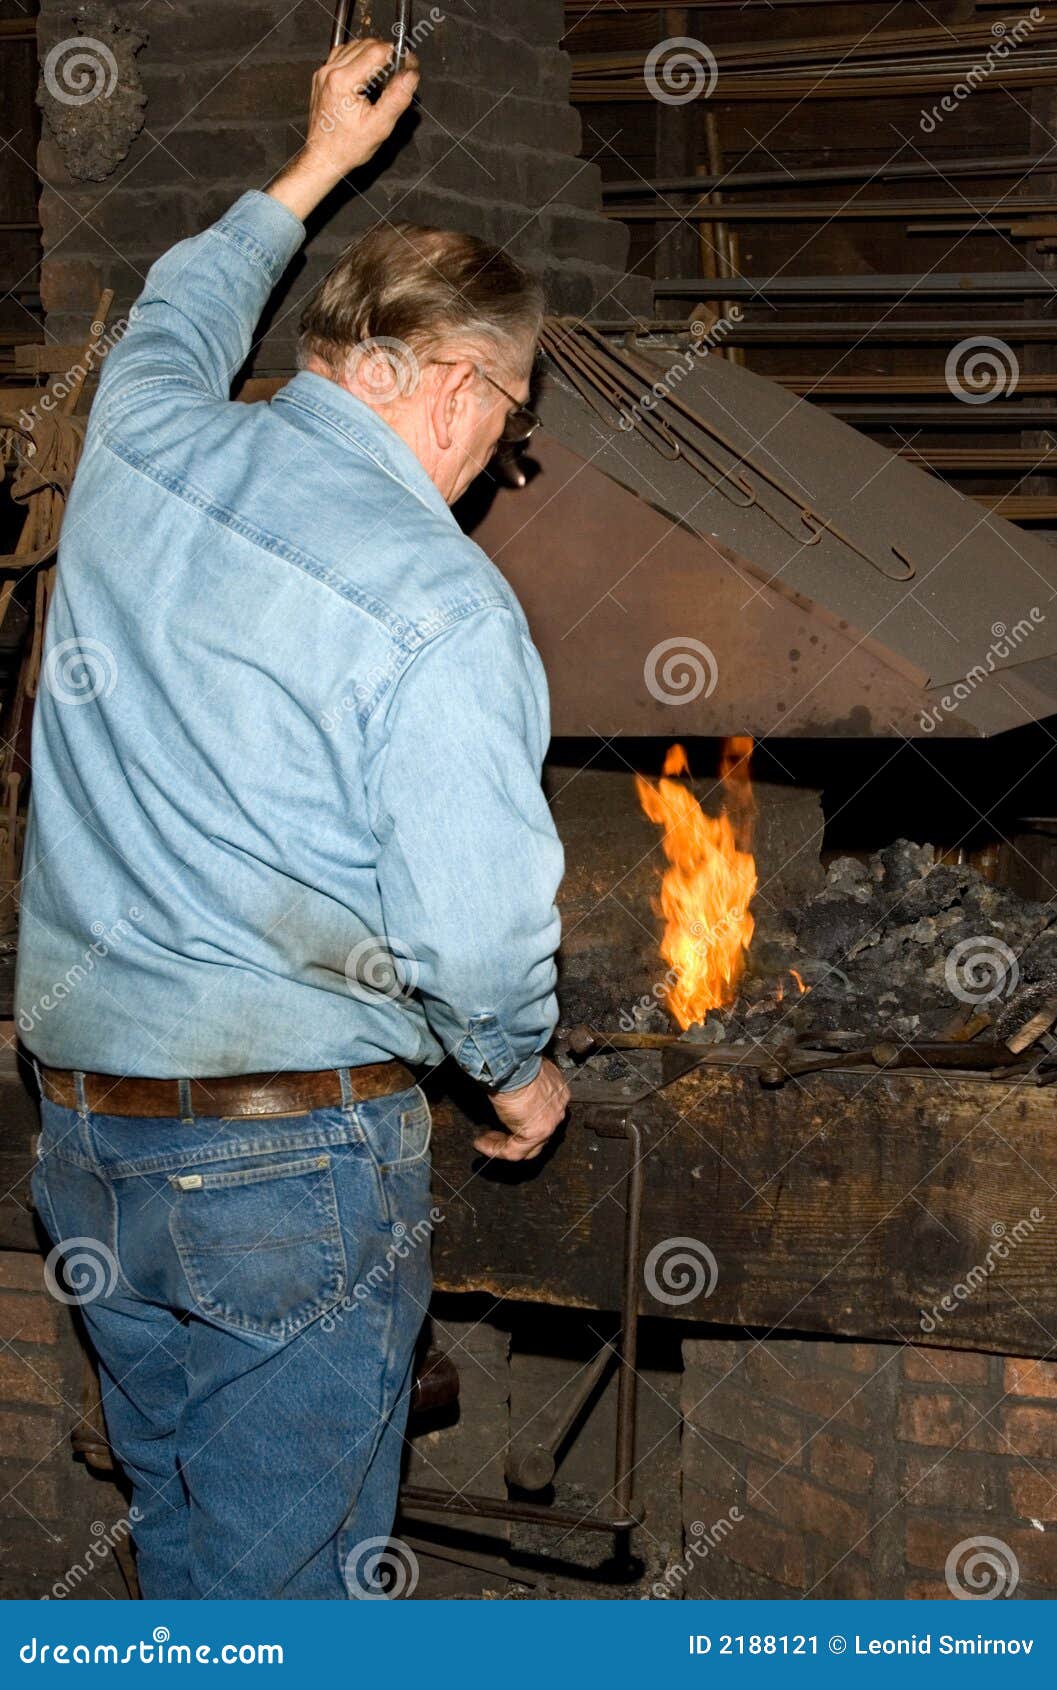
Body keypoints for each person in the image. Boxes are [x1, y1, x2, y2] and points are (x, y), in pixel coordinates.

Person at [16, 39, 569, 1599]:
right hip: (288, 1174)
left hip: (86, 1143)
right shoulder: (440, 604)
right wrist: (518, 1077)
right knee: (297, 1602)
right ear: (458, 385)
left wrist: (320, 156)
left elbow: (188, 299)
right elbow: (475, 933)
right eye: (512, 426)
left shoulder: (138, 438)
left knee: (189, 1558)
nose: (497, 468)